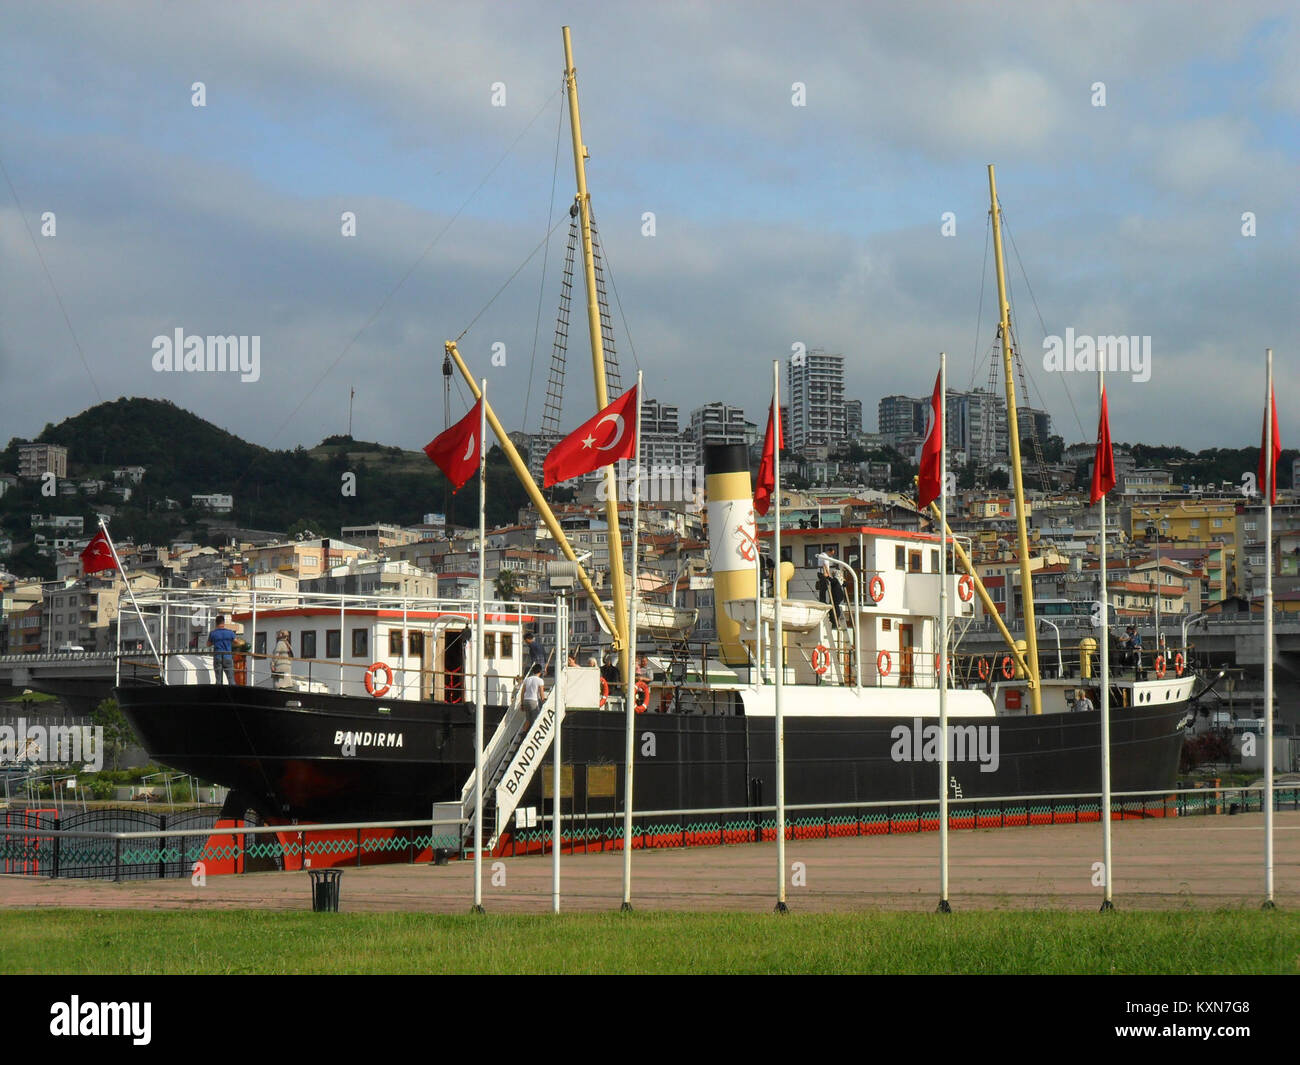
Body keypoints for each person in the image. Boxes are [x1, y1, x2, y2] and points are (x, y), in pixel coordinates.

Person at [207, 614, 236, 685]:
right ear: (224, 622)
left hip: (217, 657)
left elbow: (208, 644)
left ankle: (218, 694)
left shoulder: (213, 633)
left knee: (218, 680)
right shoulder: (230, 632)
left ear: (216, 623)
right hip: (228, 657)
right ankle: (233, 694)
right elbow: (236, 642)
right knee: (231, 679)